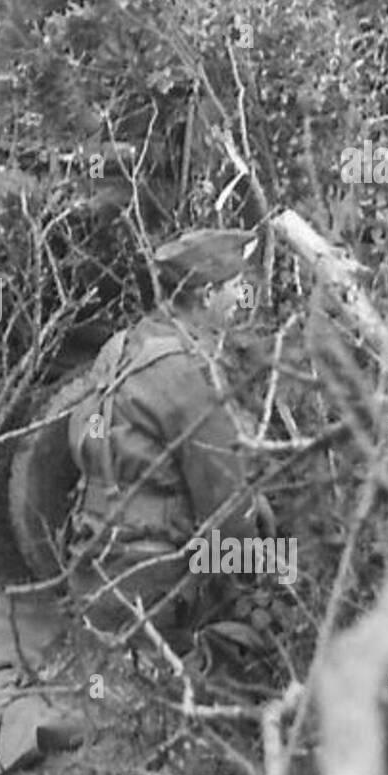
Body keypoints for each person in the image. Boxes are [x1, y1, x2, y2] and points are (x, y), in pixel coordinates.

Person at [65, 229, 275, 645]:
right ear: (207, 295)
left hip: (90, 563)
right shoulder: (188, 371)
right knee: (274, 578)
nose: (241, 300)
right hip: (150, 586)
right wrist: (274, 574)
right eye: (235, 288)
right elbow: (226, 507)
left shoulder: (123, 344)